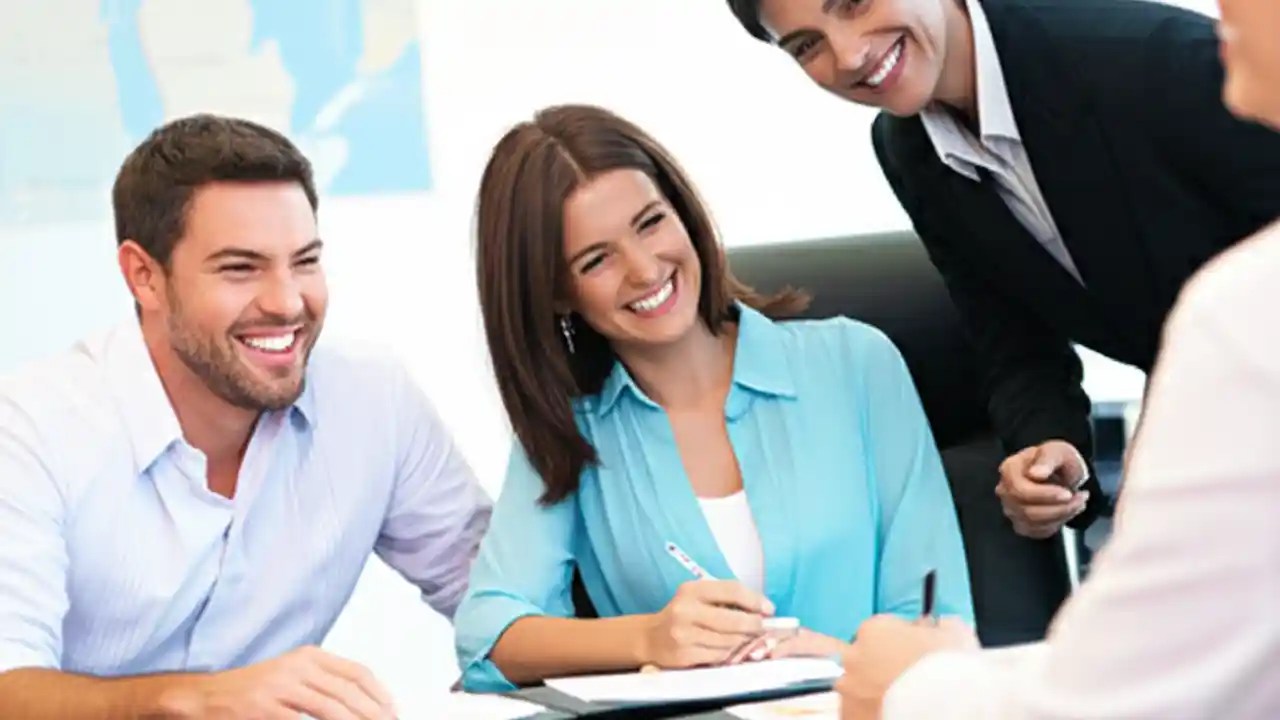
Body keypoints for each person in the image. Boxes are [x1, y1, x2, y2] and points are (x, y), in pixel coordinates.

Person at [724, 0, 1280, 642]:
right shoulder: (908, 147)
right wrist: (1050, 444)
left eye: (854, 3)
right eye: (805, 45)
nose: (848, 55)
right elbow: (1007, 329)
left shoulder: (1150, 60)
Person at [452, 103, 972, 692]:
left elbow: (937, 623)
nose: (645, 270)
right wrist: (647, 638)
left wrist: (837, 660)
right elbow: (486, 638)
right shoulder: (573, 430)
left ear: (682, 211)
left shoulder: (856, 363)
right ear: (556, 295)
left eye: (651, 223)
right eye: (596, 260)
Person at [0, 114, 492, 719]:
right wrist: (192, 700)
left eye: (304, 262)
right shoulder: (28, 430)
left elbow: (502, 601)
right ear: (144, 276)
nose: (287, 302)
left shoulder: (371, 397)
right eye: (240, 268)